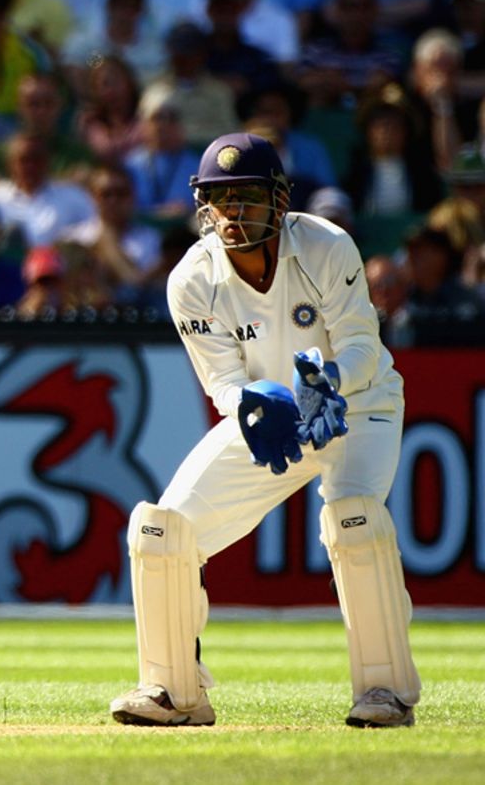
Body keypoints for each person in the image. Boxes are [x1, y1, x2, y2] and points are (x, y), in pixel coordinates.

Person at [110, 132, 421, 729]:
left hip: (355, 405)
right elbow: (221, 382)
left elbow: (361, 344)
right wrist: (250, 404)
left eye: (247, 197)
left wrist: (326, 382)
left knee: (354, 518)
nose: (232, 214)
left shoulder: (327, 246)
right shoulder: (190, 280)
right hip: (273, 416)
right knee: (162, 529)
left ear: (280, 200)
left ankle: (385, 692)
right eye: (220, 199)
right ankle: (175, 691)